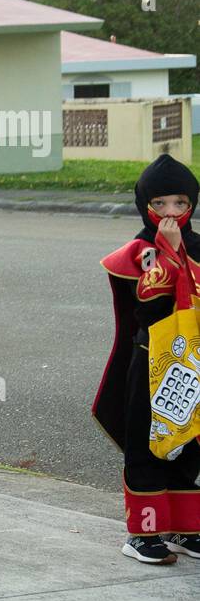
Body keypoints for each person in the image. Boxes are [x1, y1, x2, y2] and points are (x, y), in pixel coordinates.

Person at [93, 154, 200, 564]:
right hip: (151, 361)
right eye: (160, 204)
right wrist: (171, 254)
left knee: (188, 444)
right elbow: (151, 309)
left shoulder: (199, 247)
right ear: (145, 206)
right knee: (148, 444)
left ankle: (184, 528)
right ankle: (143, 533)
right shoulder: (141, 253)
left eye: (179, 202)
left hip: (193, 364)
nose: (171, 213)